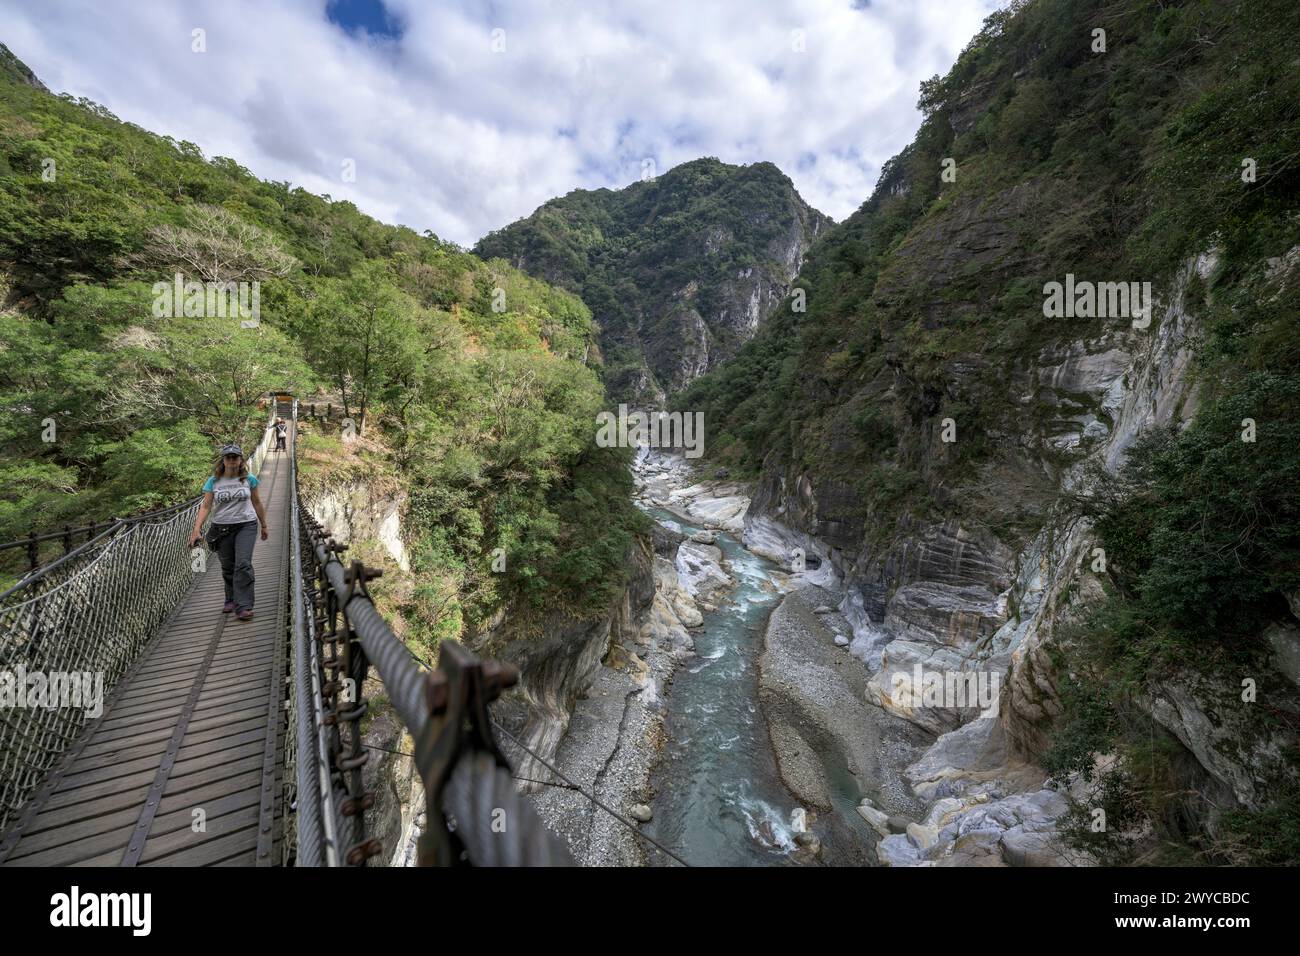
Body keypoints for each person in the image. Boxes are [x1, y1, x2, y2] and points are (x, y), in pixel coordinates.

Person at [189, 443, 268, 621]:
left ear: (241, 460)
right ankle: (230, 598)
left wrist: (264, 524)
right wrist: (196, 529)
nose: (232, 460)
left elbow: (257, 502)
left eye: (235, 457)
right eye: (228, 457)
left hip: (246, 525)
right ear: (223, 460)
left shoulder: (250, 479)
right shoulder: (213, 482)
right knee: (228, 566)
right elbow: (206, 506)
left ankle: (244, 606)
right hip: (222, 527)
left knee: (243, 564)